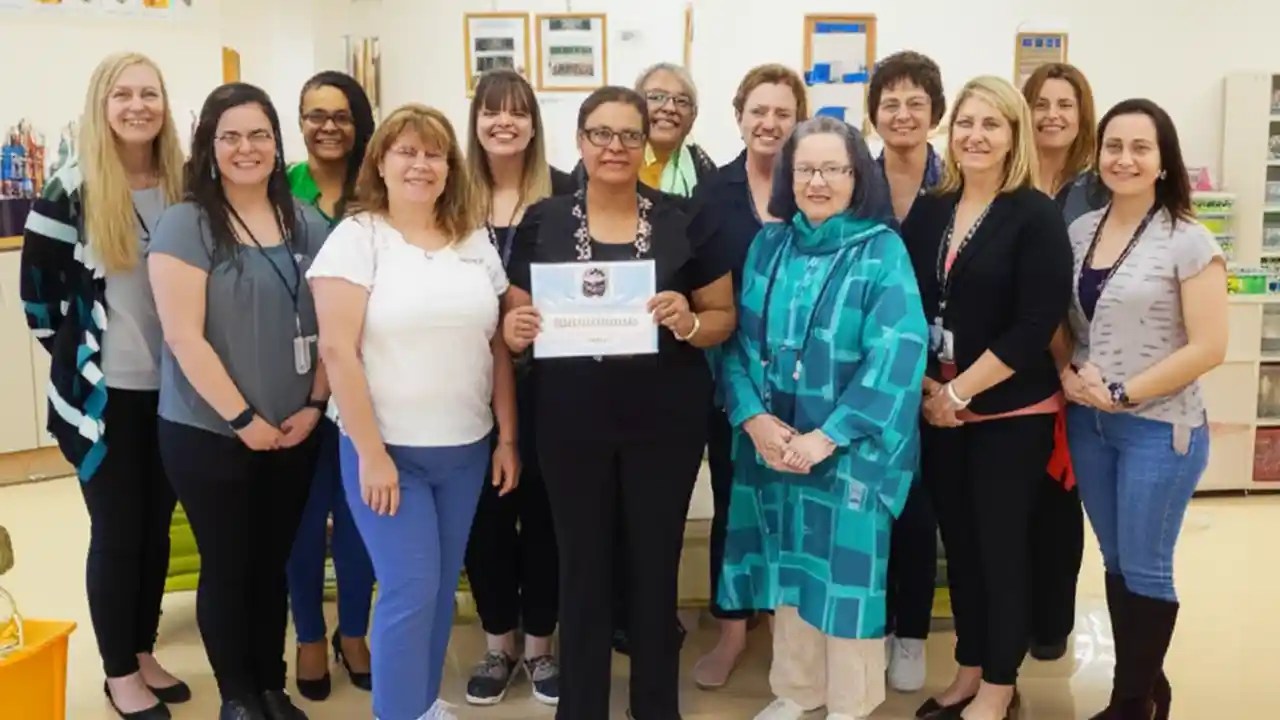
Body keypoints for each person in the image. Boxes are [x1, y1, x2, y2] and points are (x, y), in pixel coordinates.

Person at [502, 86, 736, 720]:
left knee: (655, 565)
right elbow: (516, 316)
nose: (615, 147)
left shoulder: (687, 218)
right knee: (581, 567)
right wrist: (516, 330)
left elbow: (724, 317)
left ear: (647, 144)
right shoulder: (542, 221)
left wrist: (688, 320)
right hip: (569, 422)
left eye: (629, 135)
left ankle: (655, 706)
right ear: (579, 142)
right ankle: (580, 708)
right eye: (600, 134)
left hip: (665, 422)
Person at [309, 103, 518, 720]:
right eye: (407, 151)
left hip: (464, 449)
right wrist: (371, 455)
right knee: (408, 590)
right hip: (387, 452)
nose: (421, 164)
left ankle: (421, 707)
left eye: (434, 154)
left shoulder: (472, 238)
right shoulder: (358, 237)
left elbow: (498, 344)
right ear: (381, 161)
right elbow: (337, 353)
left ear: (451, 167)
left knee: (436, 594)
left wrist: (507, 437)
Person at [716, 116, 928, 720]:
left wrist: (828, 437)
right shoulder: (769, 244)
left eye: (833, 168)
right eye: (805, 168)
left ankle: (849, 705)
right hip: (773, 447)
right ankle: (798, 692)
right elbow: (733, 344)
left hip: (850, 453)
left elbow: (899, 352)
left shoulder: (881, 248)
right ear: (788, 176)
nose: (817, 181)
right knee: (790, 574)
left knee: (845, 583)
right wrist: (753, 418)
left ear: (857, 176)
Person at [149, 82, 331, 720]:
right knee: (228, 564)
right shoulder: (187, 222)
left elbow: (337, 324)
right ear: (209, 145)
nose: (246, 148)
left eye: (259, 135)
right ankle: (236, 696)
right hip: (209, 432)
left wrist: (314, 405)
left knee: (271, 563)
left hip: (294, 429)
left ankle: (271, 685)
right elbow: (182, 336)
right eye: (230, 136)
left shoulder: (308, 221)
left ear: (278, 146)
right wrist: (243, 419)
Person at [19, 51, 189, 720]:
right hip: (104, 399)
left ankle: (141, 650)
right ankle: (118, 672)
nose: (139, 105)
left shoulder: (181, 182)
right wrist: (85, 357)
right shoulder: (71, 186)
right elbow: (39, 302)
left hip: (174, 393)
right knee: (118, 531)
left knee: (155, 528)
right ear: (102, 102)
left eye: (151, 92)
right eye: (124, 94)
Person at [900, 76, 1072, 720]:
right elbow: (907, 307)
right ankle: (969, 668)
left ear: (1013, 136)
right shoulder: (932, 210)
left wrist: (960, 390)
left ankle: (1001, 682)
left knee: (1002, 548)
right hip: (939, 409)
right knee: (962, 546)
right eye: (966, 123)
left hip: (1010, 415)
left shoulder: (1034, 214)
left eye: (991, 125)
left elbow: (1035, 324)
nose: (975, 135)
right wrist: (929, 389)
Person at [1060, 98, 1226, 720]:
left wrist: (1127, 393)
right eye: (1113, 146)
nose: (1124, 159)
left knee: (1148, 566)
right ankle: (1150, 689)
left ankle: (1128, 701)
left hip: (1160, 428)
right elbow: (1073, 329)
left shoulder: (1189, 238)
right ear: (1098, 155)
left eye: (1141, 148)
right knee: (1116, 559)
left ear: (1163, 162)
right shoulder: (1081, 231)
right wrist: (1071, 376)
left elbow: (1211, 346)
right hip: (1091, 424)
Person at [685, 62, 806, 690]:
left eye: (782, 112)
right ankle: (733, 626)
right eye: (758, 110)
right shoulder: (713, 193)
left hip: (807, 385)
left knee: (796, 502)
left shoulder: (814, 187)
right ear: (738, 117)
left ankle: (791, 626)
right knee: (735, 502)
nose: (769, 122)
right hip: (728, 376)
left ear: (798, 121)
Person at [460, 68, 575, 707]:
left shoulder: (566, 192)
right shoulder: (451, 195)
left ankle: (540, 648)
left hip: (553, 387)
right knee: (486, 520)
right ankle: (498, 644)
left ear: (534, 123)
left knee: (546, 516)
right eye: (491, 112)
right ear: (474, 122)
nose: (504, 123)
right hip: (469, 386)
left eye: (517, 113)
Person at [284, 69, 377, 702]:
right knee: (301, 516)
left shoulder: (380, 187)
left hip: (367, 384)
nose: (327, 126)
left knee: (361, 520)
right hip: (290, 385)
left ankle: (355, 633)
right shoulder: (274, 186)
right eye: (315, 115)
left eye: (340, 114)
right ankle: (310, 636)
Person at [865, 49, 946, 693]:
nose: (902, 113)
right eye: (890, 102)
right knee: (869, 507)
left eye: (915, 102)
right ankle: (877, 625)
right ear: (873, 114)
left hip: (937, 377)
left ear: (935, 113)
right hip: (864, 374)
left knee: (919, 509)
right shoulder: (853, 182)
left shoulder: (955, 187)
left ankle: (913, 632)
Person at [1021, 61, 1108, 662]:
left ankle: (1051, 624)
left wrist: (1073, 363)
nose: (1053, 115)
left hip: (1081, 367)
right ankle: (1010, 617)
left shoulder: (1099, 187)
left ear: (1082, 115)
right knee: (1010, 500)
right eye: (1042, 103)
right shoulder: (1006, 179)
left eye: (1065, 104)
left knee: (1059, 497)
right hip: (1012, 366)